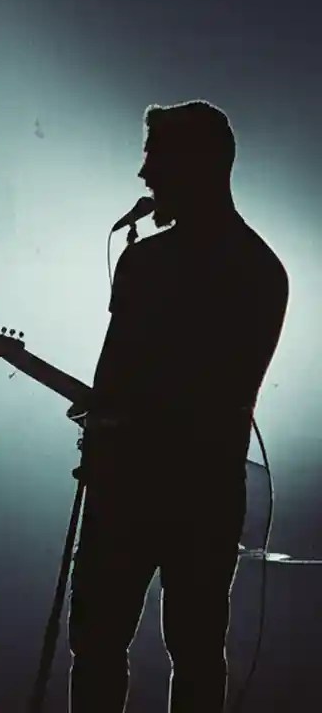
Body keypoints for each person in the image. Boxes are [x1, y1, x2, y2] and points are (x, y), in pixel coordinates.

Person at [68, 101, 289, 712]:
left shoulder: (200, 265)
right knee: (178, 649)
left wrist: (114, 422)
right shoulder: (255, 266)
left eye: (155, 156)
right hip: (192, 491)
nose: (144, 175)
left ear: (200, 164)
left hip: (164, 488)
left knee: (126, 645)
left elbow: (196, 390)